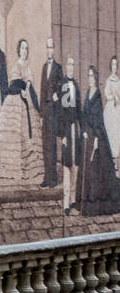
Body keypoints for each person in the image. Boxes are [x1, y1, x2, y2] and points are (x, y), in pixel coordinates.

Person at [0, 38, 43, 184]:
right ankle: (15, 169)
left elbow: (30, 87)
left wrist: (31, 94)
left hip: (28, 102)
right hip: (16, 102)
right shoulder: (15, 67)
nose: (24, 51)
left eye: (26, 49)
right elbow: (13, 85)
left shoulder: (28, 67)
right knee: (15, 135)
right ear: (19, 50)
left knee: (29, 135)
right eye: (22, 48)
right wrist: (21, 89)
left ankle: (29, 168)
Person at [79, 64, 120, 216]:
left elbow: (98, 120)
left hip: (97, 137)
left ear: (96, 78)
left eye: (92, 76)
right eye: (88, 76)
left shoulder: (97, 96)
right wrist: (83, 130)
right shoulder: (88, 92)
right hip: (87, 135)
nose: (90, 79)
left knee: (96, 171)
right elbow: (84, 114)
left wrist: (95, 138)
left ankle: (94, 206)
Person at [58, 57, 82, 214]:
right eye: (69, 64)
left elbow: (79, 110)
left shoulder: (77, 86)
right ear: (66, 67)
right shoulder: (63, 85)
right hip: (67, 130)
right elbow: (60, 112)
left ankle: (73, 201)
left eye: (73, 64)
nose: (71, 67)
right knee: (67, 166)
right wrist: (63, 135)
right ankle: (66, 203)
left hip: (76, 130)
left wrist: (83, 129)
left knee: (75, 165)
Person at [40, 37, 64, 188]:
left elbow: (62, 86)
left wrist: (57, 94)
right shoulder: (44, 67)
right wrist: (41, 115)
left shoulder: (58, 67)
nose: (49, 50)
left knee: (52, 146)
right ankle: (46, 178)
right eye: (47, 47)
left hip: (54, 111)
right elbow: (42, 90)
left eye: (51, 47)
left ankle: (53, 179)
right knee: (45, 145)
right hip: (46, 111)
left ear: (54, 50)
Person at [104, 56, 120, 165]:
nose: (114, 67)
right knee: (109, 134)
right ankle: (109, 164)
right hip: (110, 109)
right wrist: (112, 97)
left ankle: (116, 163)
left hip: (117, 108)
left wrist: (117, 97)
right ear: (111, 66)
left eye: (116, 65)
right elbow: (106, 94)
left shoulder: (119, 81)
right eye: (112, 64)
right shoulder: (108, 80)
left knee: (116, 134)